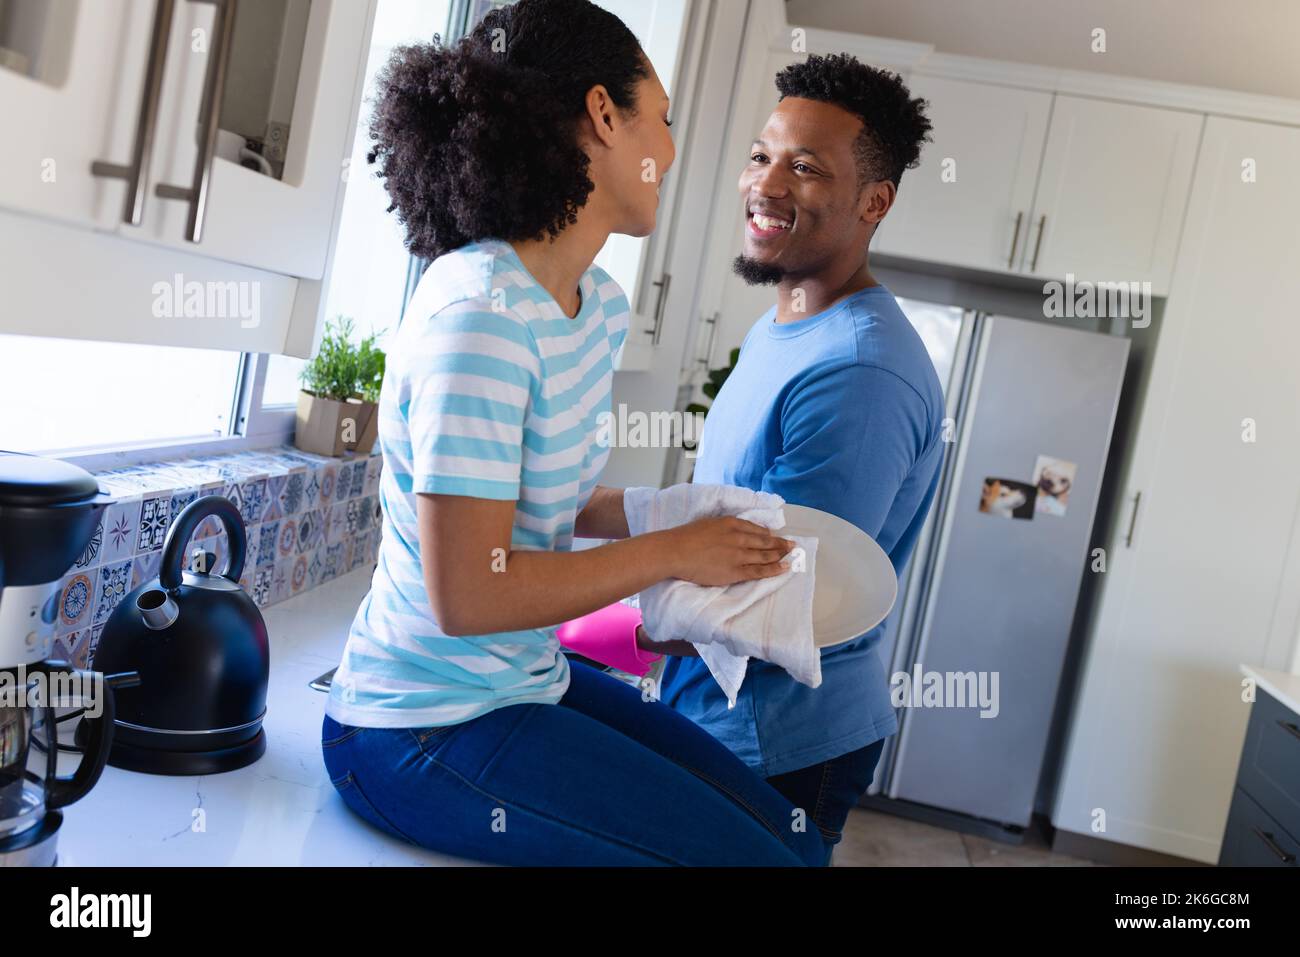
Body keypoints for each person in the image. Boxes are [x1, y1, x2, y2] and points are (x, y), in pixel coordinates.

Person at [320, 0, 826, 867]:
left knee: (795, 842)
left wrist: (672, 512)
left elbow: (538, 499)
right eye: (660, 119)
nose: (669, 150)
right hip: (418, 729)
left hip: (524, 683)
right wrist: (675, 553)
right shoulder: (477, 315)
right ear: (603, 115)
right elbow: (470, 594)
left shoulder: (595, 309)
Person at [652, 54, 945, 865]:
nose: (767, 183)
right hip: (713, 701)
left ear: (874, 202)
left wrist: (589, 609)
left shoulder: (860, 368)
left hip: (777, 737)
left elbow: (776, 593)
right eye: (760, 155)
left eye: (806, 168)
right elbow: (725, 521)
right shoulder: (779, 327)